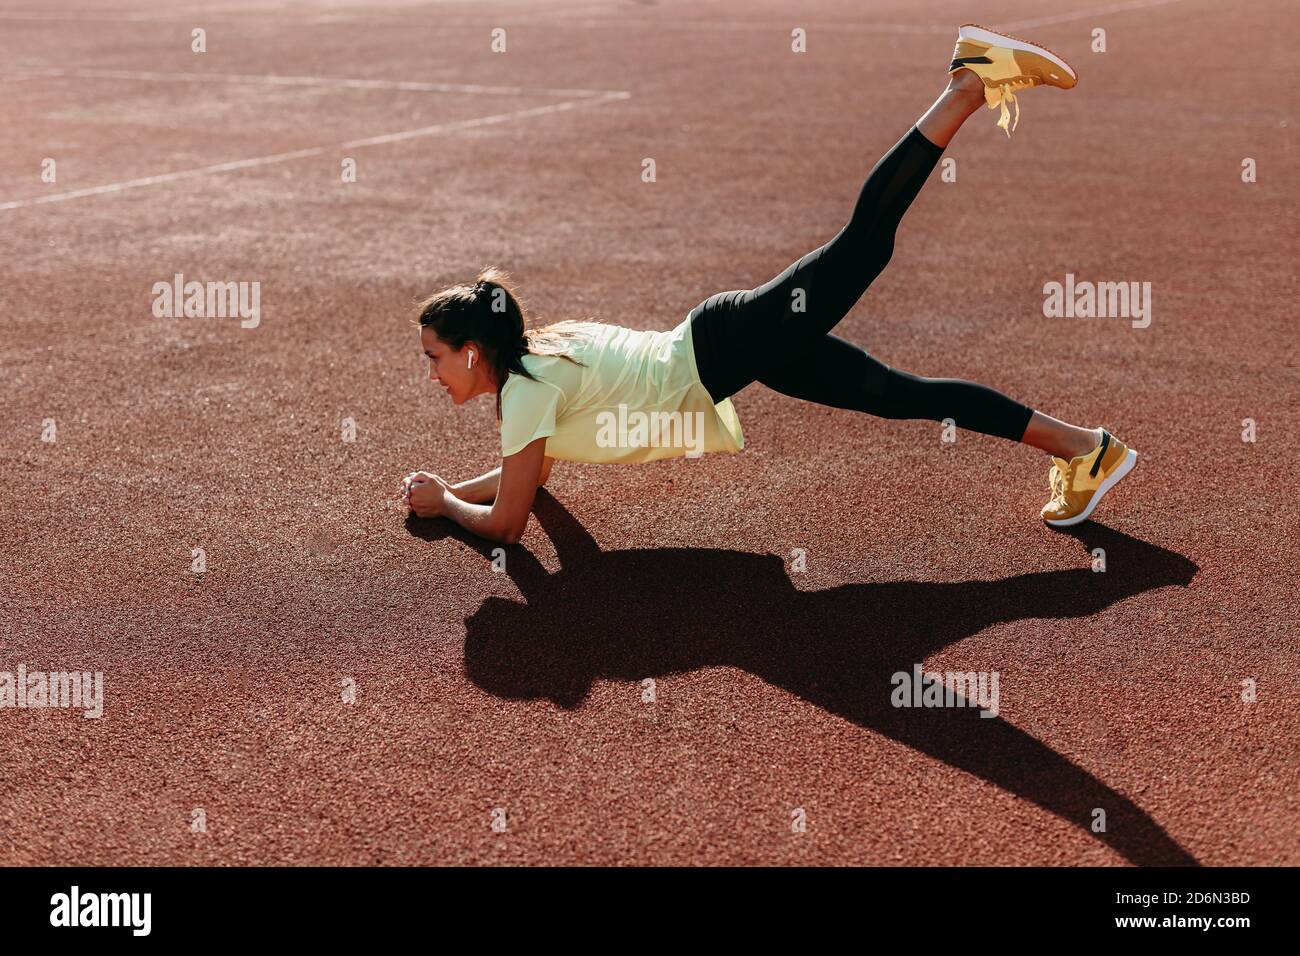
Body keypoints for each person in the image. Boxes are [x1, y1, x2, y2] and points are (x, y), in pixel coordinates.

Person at [403, 24, 1137, 545]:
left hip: (727, 346)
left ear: (472, 351)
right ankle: (1082, 447)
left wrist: (445, 507)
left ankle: (970, 84)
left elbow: (509, 521)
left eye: (435, 356)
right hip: (732, 348)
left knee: (863, 246)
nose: (432, 373)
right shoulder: (536, 360)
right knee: (895, 394)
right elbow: (531, 474)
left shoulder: (525, 392)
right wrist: (454, 488)